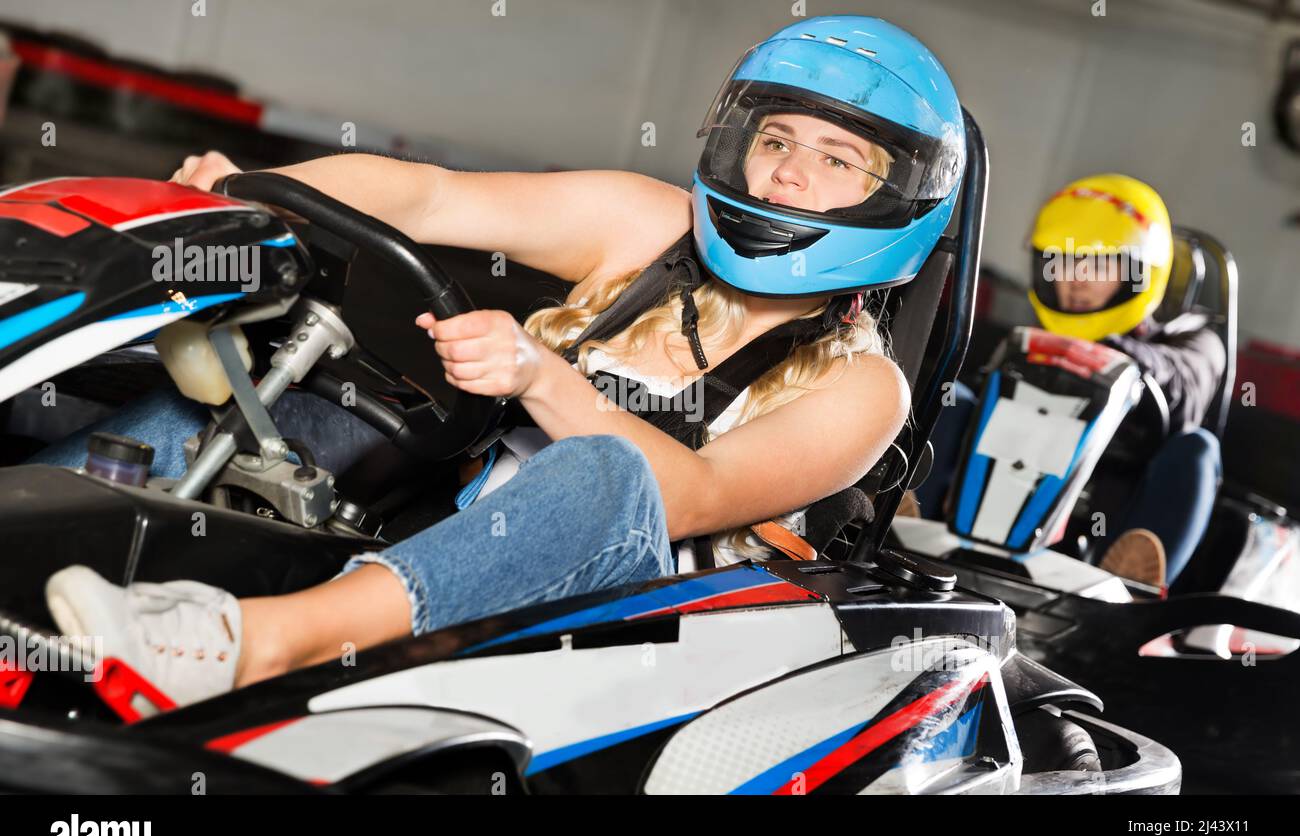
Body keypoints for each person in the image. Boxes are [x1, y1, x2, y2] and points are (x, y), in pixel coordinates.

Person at [33, 16, 965, 717]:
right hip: (440, 549)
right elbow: (430, 197)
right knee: (303, 379)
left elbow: (681, 495)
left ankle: (253, 647)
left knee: (607, 470)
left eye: (840, 159)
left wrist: (542, 376)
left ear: (902, 202)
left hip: (631, 636)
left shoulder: (863, 389)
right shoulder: (646, 226)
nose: (787, 177)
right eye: (775, 141)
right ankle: (35, 533)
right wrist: (241, 198)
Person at [916, 174, 1224, 587]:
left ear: (1139, 273)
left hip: (1109, 502)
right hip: (1011, 478)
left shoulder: (1194, 341)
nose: (1076, 278)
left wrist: (1097, 349)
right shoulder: (1027, 344)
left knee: (1198, 449)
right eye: (1063, 261)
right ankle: (914, 523)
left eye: (1097, 262)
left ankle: (1133, 589)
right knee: (958, 398)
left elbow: (1184, 389)